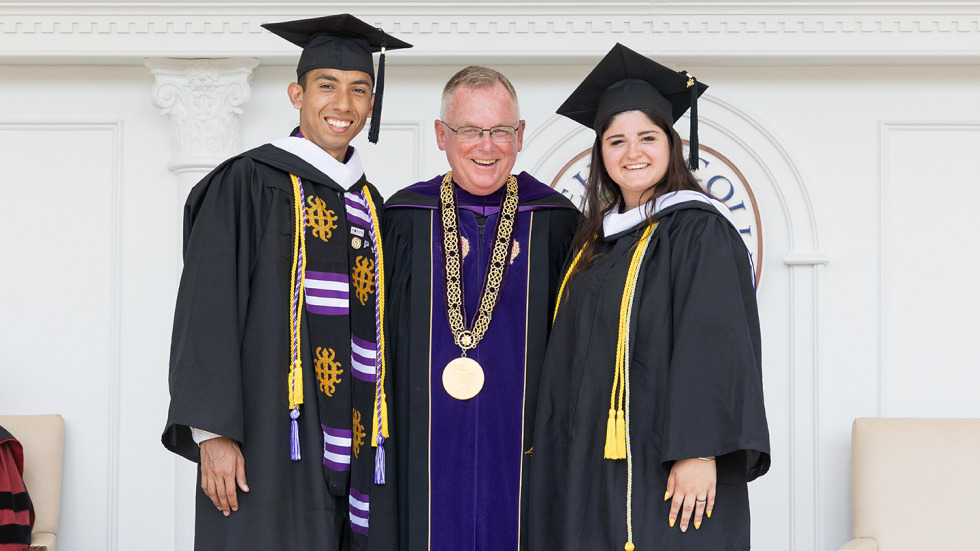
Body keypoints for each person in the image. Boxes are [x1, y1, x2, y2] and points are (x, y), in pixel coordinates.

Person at [161, 14, 410, 551]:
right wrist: (213, 434)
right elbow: (207, 307)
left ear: (372, 103)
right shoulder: (246, 183)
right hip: (274, 440)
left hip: (360, 443)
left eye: (359, 90)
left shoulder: (373, 205)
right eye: (327, 86)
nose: (342, 105)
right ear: (297, 93)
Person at [528, 43, 771, 551]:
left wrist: (700, 451)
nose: (631, 152)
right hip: (594, 462)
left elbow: (716, 341)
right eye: (616, 141)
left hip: (664, 458)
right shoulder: (594, 243)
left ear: (672, 143)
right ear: (600, 153)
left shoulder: (698, 231)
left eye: (646, 137)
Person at [362, 66, 579, 551]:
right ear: (442, 135)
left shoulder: (558, 224)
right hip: (420, 457)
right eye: (469, 131)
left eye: (500, 130)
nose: (487, 145)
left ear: (519, 135)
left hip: (524, 459)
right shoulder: (401, 220)